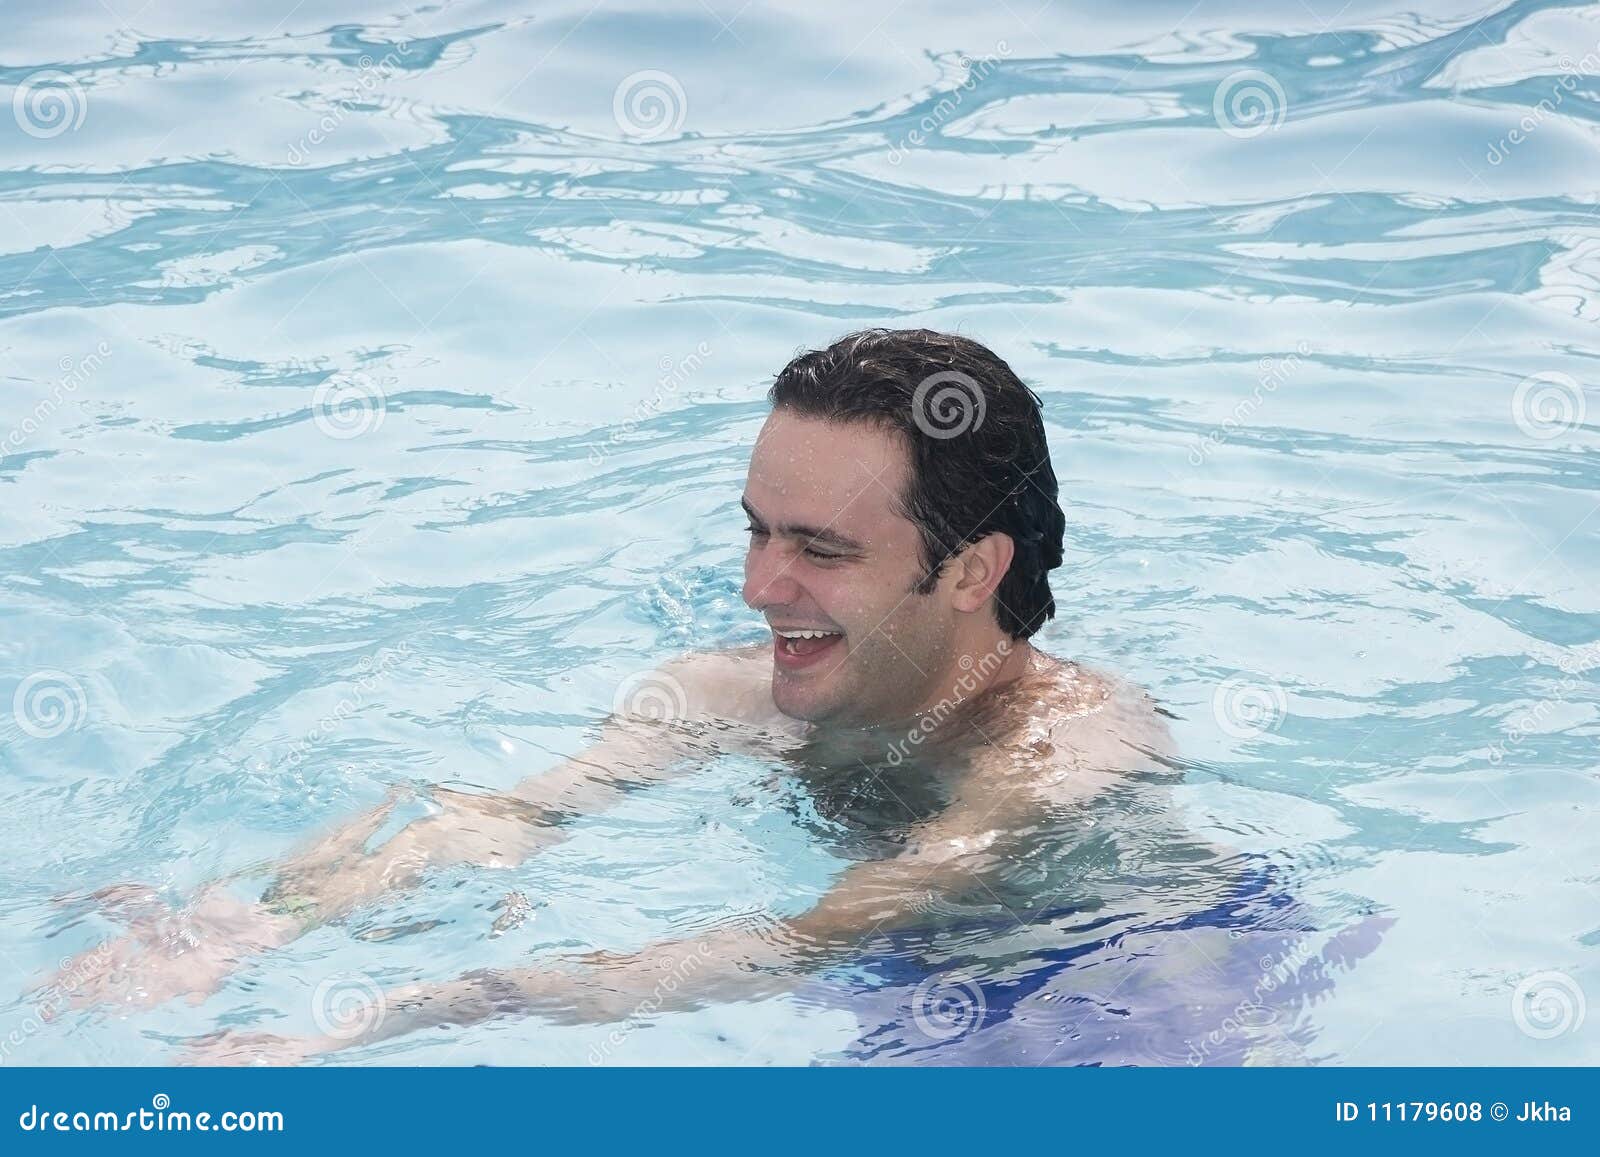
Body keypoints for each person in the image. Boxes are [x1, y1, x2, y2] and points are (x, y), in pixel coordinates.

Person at [52, 328, 1184, 1062]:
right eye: (755, 531)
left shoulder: (1063, 751)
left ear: (972, 571)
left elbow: (813, 932)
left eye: (819, 551)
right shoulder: (724, 692)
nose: (757, 588)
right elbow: (509, 814)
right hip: (893, 995)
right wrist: (259, 919)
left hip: (1125, 991)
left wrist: (391, 1013)